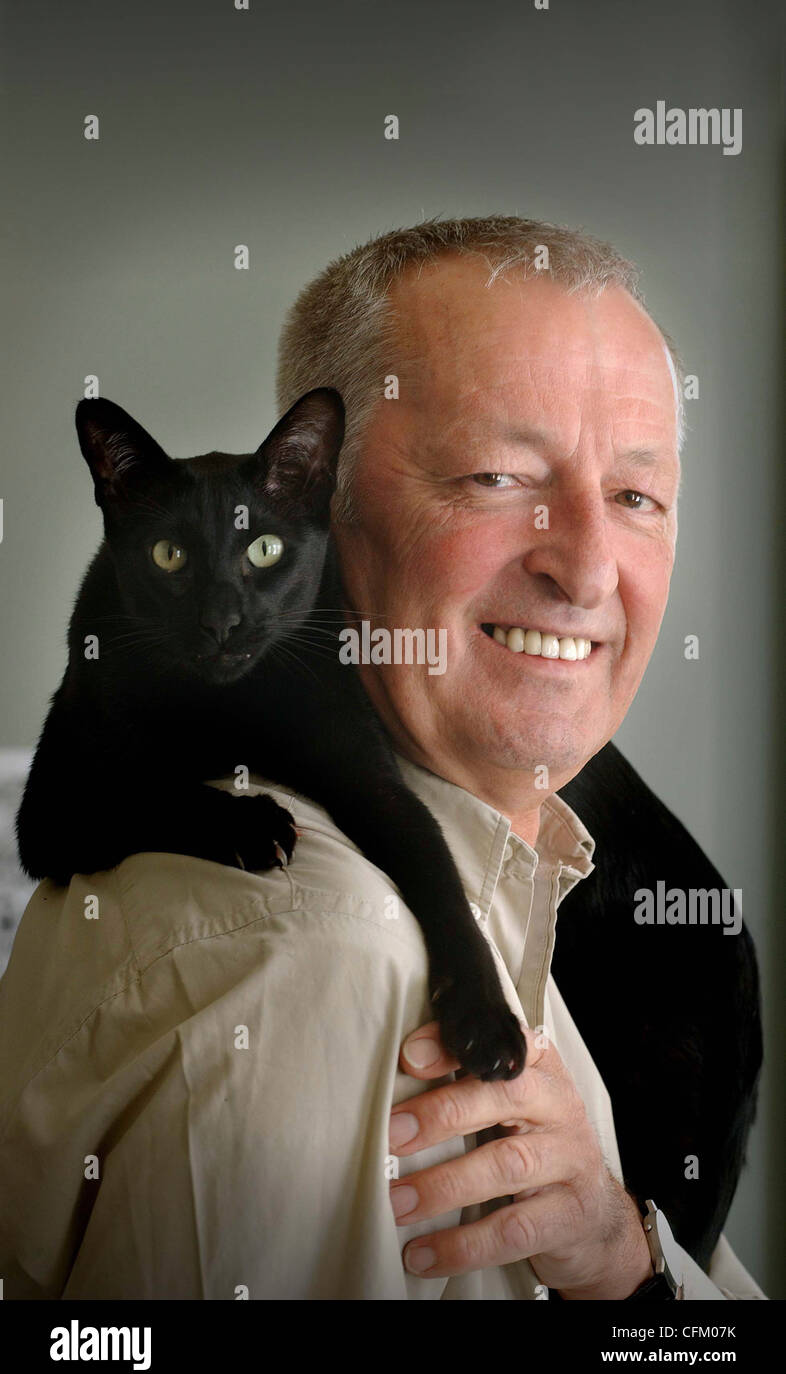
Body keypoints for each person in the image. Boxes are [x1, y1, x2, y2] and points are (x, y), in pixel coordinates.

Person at [0, 216, 766, 1299]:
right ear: (328, 517)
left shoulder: (516, 867)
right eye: (498, 476)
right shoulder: (322, 965)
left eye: (637, 496)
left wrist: (628, 1265)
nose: (590, 568)